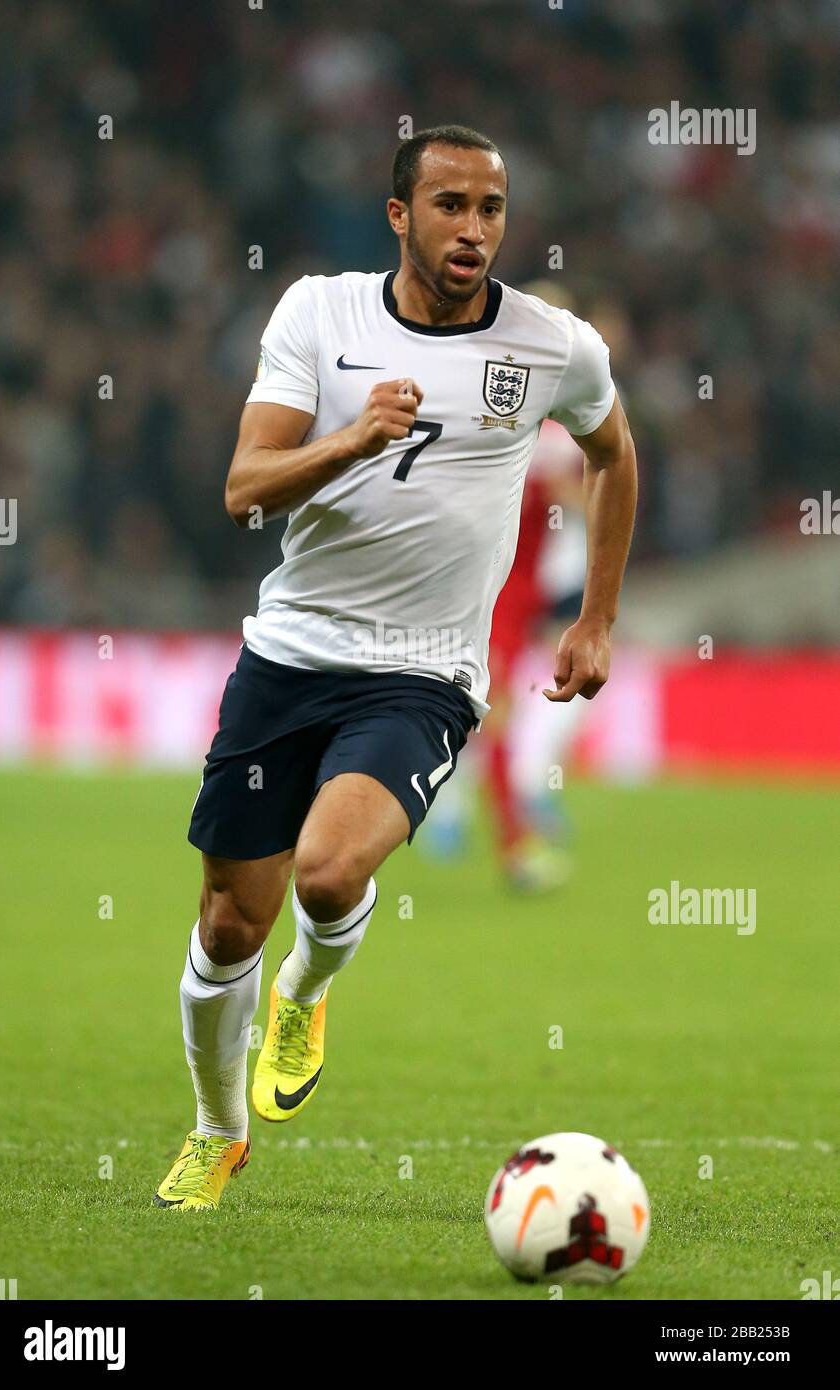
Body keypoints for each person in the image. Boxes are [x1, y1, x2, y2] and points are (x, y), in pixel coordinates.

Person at [154, 124, 637, 1211]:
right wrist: (351, 440)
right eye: (450, 205)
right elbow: (244, 488)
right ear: (398, 217)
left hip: (420, 675)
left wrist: (596, 615)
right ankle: (214, 1131)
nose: (474, 229)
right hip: (287, 655)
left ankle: (307, 989)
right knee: (228, 922)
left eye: (491, 209)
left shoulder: (549, 344)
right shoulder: (317, 315)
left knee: (328, 874)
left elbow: (614, 452)